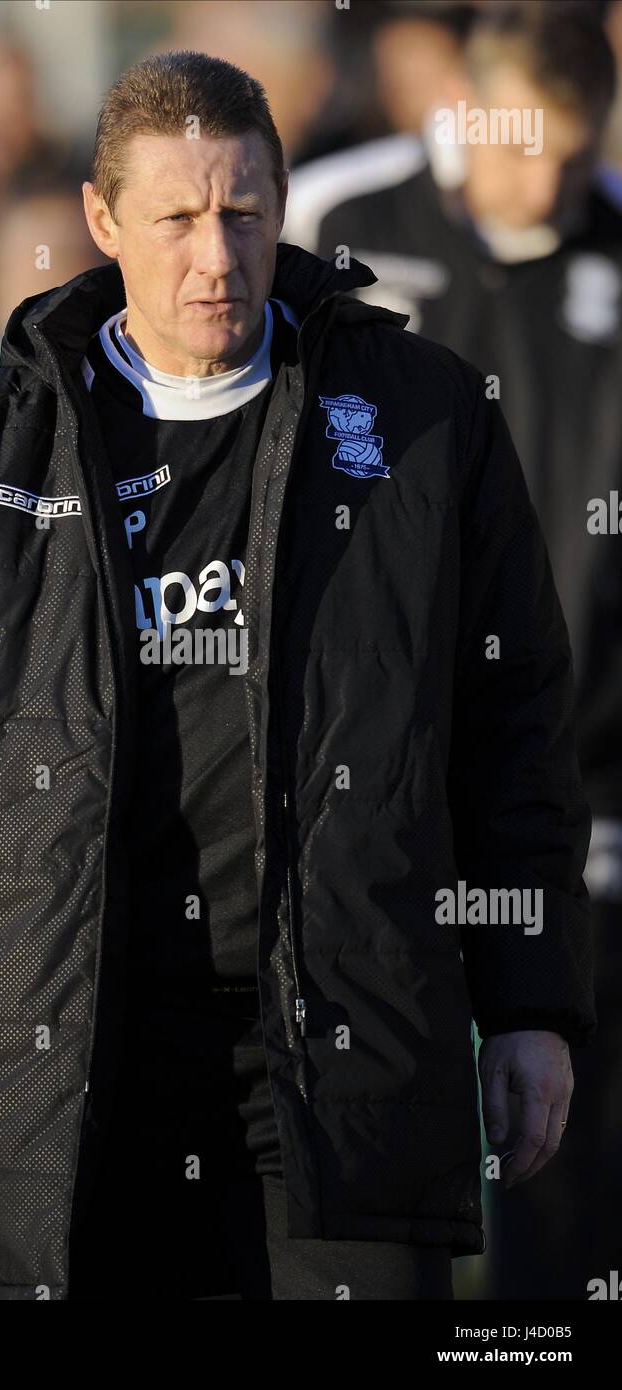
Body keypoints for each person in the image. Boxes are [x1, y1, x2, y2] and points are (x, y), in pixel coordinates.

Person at [0, 49, 594, 1302]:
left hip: (344, 1059)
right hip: (57, 1066)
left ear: (283, 207)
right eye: (174, 217)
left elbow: (512, 726)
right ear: (103, 222)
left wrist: (531, 1003)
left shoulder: (424, 421)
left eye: (244, 213)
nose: (215, 257)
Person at [289, 5, 622, 1297]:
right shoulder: (331, 221)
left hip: (576, 767)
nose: (540, 184)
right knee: (378, 1160)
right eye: (519, 147)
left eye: (571, 152)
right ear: (467, 111)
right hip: (374, 768)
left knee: (566, 1158)